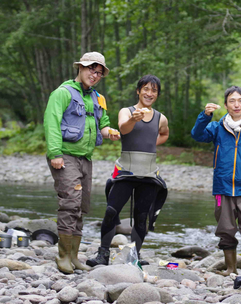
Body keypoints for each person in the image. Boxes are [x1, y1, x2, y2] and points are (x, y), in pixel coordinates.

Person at [43, 52, 120, 274]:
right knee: (70, 202)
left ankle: (75, 257)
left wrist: (111, 132)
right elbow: (52, 123)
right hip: (65, 155)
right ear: (80, 68)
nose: (94, 76)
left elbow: (103, 125)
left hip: (85, 158)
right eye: (91, 70)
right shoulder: (62, 93)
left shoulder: (97, 98)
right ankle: (63, 257)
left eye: (99, 73)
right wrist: (55, 153)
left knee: (81, 206)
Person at [86, 74, 170, 267]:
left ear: (157, 94)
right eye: (146, 89)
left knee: (142, 217)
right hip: (125, 172)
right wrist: (134, 119)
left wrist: (152, 143)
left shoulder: (160, 118)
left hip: (149, 174)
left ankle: (135, 255)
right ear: (138, 91)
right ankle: (103, 254)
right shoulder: (126, 111)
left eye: (154, 90)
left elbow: (164, 133)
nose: (149, 93)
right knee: (111, 211)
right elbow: (123, 129)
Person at [191, 86, 241, 280]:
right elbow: (197, 135)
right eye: (232, 101)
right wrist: (205, 116)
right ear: (225, 104)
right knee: (225, 229)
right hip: (223, 188)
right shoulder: (217, 127)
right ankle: (231, 269)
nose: (236, 104)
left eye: (240, 101)